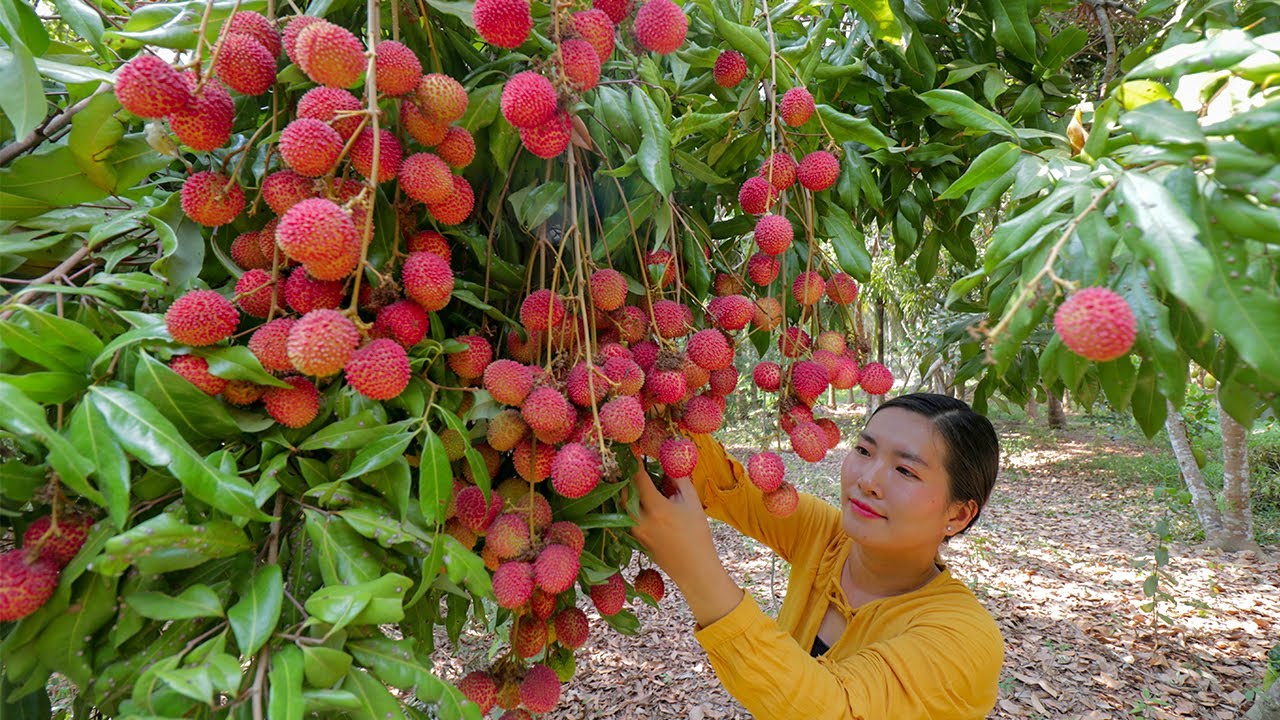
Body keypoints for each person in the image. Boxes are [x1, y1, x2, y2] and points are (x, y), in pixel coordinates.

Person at [629, 393, 1004, 720]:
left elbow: (833, 709)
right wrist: (653, 401)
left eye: (905, 470)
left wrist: (696, 570)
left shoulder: (965, 638)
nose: (867, 480)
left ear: (957, 515)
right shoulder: (826, 536)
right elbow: (727, 487)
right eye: (863, 451)